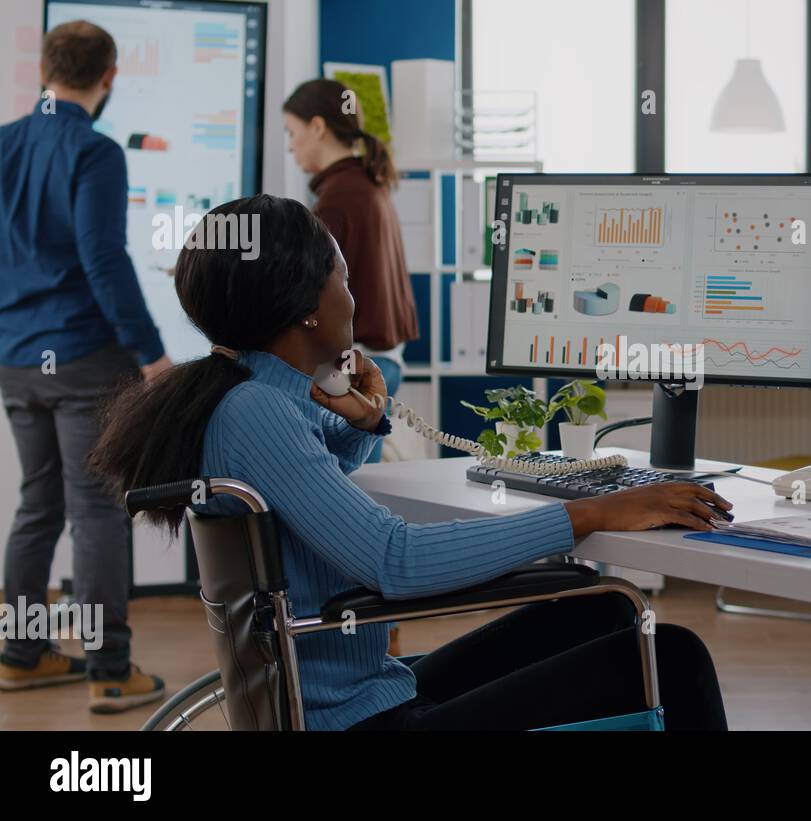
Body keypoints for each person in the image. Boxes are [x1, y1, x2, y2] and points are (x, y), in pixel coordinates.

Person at [89, 195, 730, 731]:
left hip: (369, 691)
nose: (354, 298)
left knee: (604, 612)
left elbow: (309, 503)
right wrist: (590, 513)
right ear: (307, 305)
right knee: (672, 655)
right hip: (357, 722)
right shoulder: (254, 412)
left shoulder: (250, 394)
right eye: (342, 279)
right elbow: (394, 560)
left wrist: (364, 423)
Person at [0, 20, 169, 712]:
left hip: (15, 358)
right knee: (98, 509)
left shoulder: (5, 142)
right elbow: (104, 258)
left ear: (43, 69)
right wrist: (152, 354)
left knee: (38, 504)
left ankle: (21, 653)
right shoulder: (95, 153)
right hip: (85, 358)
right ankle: (110, 667)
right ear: (109, 78)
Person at [282, 79, 418, 465]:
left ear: (318, 127)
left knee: (342, 495)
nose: (291, 145)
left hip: (354, 365)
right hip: (383, 358)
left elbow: (307, 292)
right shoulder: (368, 184)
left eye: (292, 132)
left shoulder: (337, 199)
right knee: (361, 492)